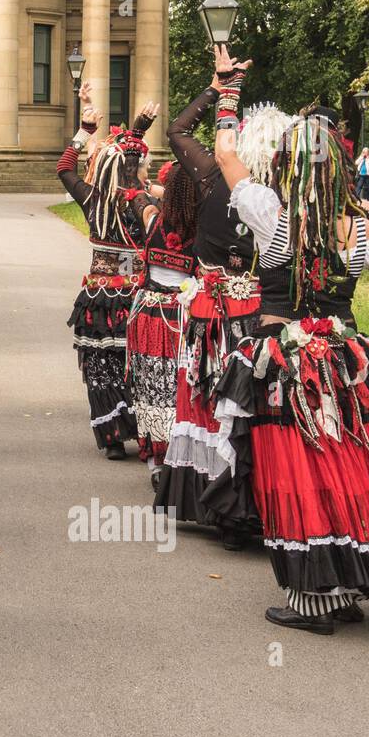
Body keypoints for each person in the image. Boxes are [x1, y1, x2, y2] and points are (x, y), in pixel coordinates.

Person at [211, 51, 369, 633]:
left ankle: (315, 598)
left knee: (300, 469)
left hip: (287, 360)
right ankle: (350, 580)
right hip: (349, 360)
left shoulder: (267, 213)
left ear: (286, 162)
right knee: (356, 461)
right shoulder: (360, 227)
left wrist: (228, 89)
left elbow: (226, 153)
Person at [154, 49, 294, 549]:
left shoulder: (213, 176)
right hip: (255, 315)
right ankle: (244, 509)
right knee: (243, 405)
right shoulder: (279, 202)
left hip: (210, 312)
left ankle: (209, 502)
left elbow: (176, 131)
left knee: (205, 399)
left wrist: (221, 87)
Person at [55, 86, 159, 459]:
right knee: (135, 361)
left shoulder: (91, 199)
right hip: (134, 292)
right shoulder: (140, 202)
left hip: (99, 294)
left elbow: (64, 167)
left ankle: (113, 436)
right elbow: (130, 173)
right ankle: (144, 429)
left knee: (102, 364)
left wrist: (84, 129)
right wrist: (139, 130)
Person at [126, 161, 195, 487]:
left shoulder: (153, 220)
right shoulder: (202, 234)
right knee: (181, 388)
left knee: (151, 386)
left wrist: (136, 134)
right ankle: (181, 456)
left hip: (149, 315)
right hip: (184, 317)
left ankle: (155, 459)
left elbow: (133, 191)